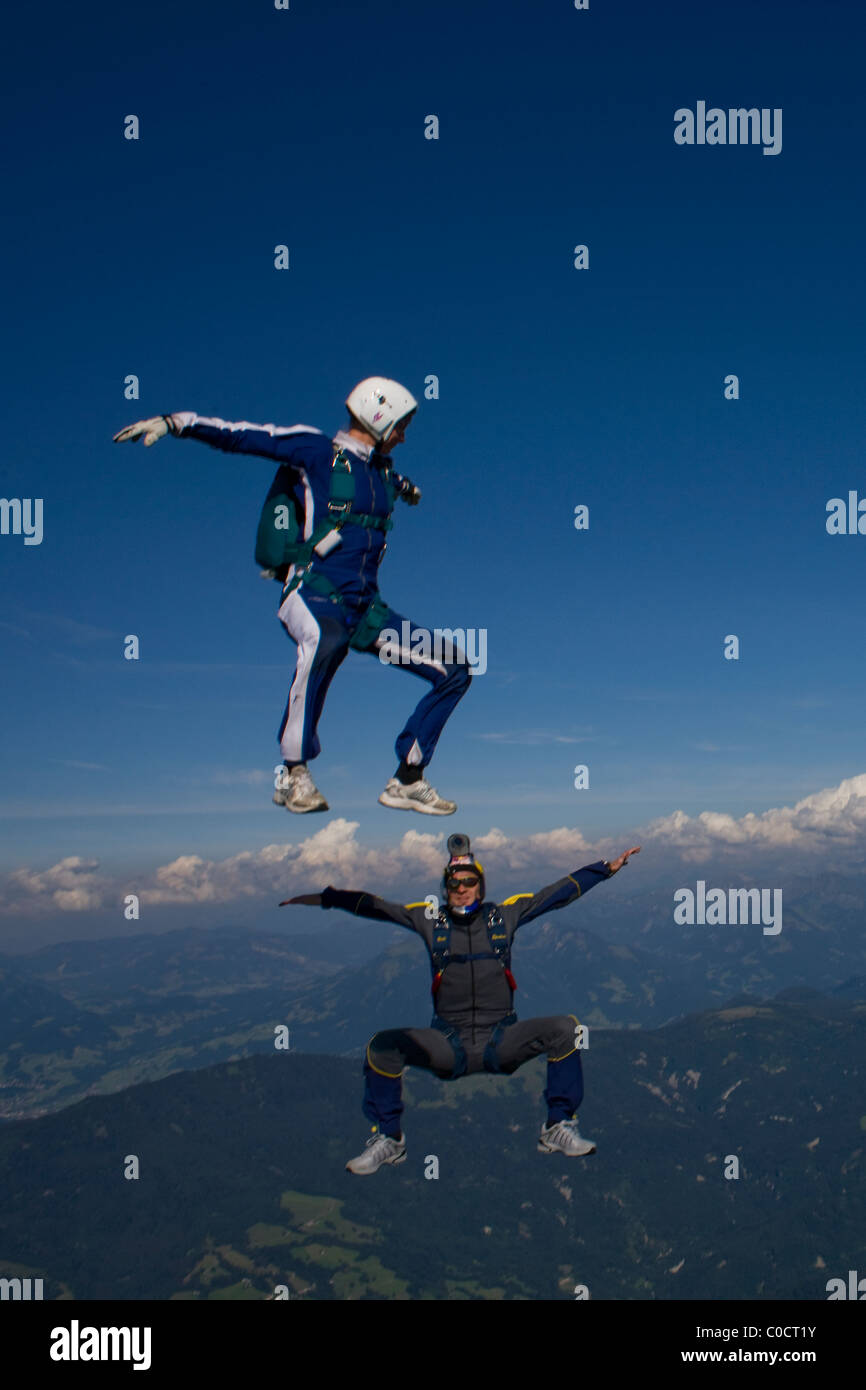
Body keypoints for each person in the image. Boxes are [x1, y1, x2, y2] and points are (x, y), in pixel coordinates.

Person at [113, 378, 471, 815]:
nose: (403, 435)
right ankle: (292, 774)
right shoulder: (315, 451)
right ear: (379, 419)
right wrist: (178, 423)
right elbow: (243, 436)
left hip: (365, 608)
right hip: (313, 593)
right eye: (401, 425)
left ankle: (408, 779)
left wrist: (406, 488)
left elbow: (387, 481)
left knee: (454, 666)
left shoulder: (380, 473)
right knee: (326, 639)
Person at [282, 833, 641, 1174]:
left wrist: (604, 870)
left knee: (566, 1029)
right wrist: (323, 898)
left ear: (480, 887)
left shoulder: (503, 916)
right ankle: (389, 1140)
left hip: (501, 1040)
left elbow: (554, 895)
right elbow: (375, 907)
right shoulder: (429, 920)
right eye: (454, 884)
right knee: (382, 1047)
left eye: (470, 883)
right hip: (448, 1045)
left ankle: (557, 1126)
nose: (463, 890)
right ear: (445, 888)